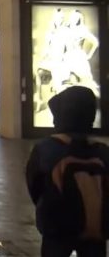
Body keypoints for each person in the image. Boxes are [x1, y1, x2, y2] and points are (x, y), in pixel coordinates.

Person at [25, 86, 107, 257]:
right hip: (95, 228)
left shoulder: (45, 149)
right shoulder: (102, 151)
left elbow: (35, 187)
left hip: (57, 228)